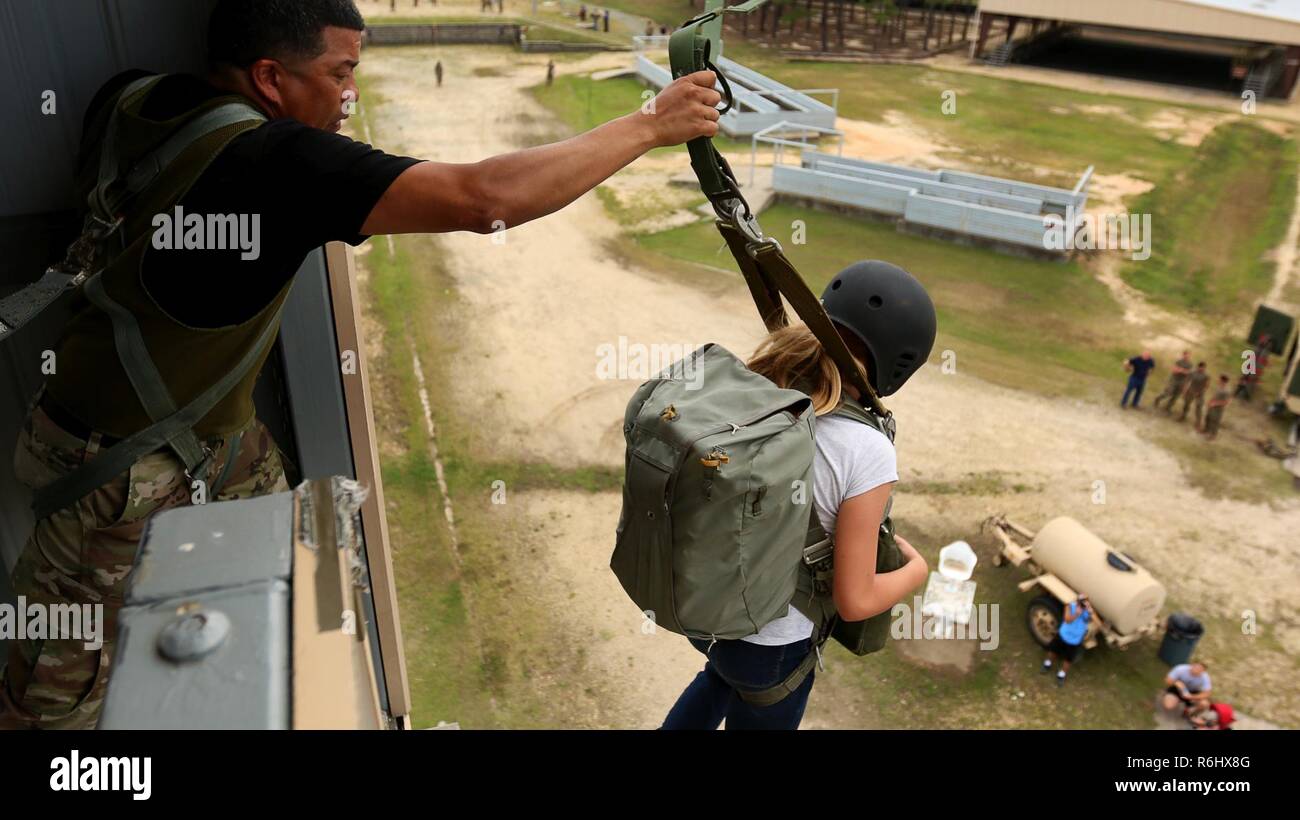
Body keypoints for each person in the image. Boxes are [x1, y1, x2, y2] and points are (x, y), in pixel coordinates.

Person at [0, 0, 722, 730]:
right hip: (114, 470)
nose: (353, 95)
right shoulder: (280, 165)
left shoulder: (136, 97)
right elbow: (486, 199)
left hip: (194, 429)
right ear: (269, 78)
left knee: (281, 571)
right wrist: (652, 125)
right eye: (341, 73)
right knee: (52, 705)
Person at [660, 261, 935, 730]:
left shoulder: (767, 383)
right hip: (772, 647)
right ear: (898, 362)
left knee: (718, 678)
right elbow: (855, 600)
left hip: (709, 608)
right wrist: (917, 572)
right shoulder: (868, 450)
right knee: (744, 686)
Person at [1041, 594, 1094, 686]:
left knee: (1068, 659)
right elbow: (1067, 620)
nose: (1082, 604)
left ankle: (1061, 675)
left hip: (1075, 641)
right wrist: (1077, 613)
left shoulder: (1086, 610)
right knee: (1053, 651)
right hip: (1063, 636)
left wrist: (1090, 613)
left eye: (1085, 602)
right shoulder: (1069, 606)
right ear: (1077, 601)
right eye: (1081, 602)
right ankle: (1047, 664)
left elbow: (1088, 621)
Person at [1178, 361, 1209, 426]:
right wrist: (1184, 391)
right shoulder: (1192, 372)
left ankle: (1198, 422)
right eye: (1201, 367)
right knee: (1186, 404)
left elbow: (1206, 386)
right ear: (1198, 367)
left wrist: (1200, 392)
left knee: (1199, 407)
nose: (1202, 369)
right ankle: (1183, 416)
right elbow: (1187, 381)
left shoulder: (1206, 375)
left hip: (1200, 393)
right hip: (1191, 390)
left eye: (1204, 368)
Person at [1203, 375, 1232, 440]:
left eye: (1219, 379)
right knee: (1208, 418)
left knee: (1215, 421)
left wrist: (1215, 404)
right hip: (1212, 406)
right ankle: (1206, 430)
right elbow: (1215, 396)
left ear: (1223, 381)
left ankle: (1213, 435)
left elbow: (1227, 402)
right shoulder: (1219, 387)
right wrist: (1210, 401)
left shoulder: (1227, 390)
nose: (1218, 380)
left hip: (1218, 409)